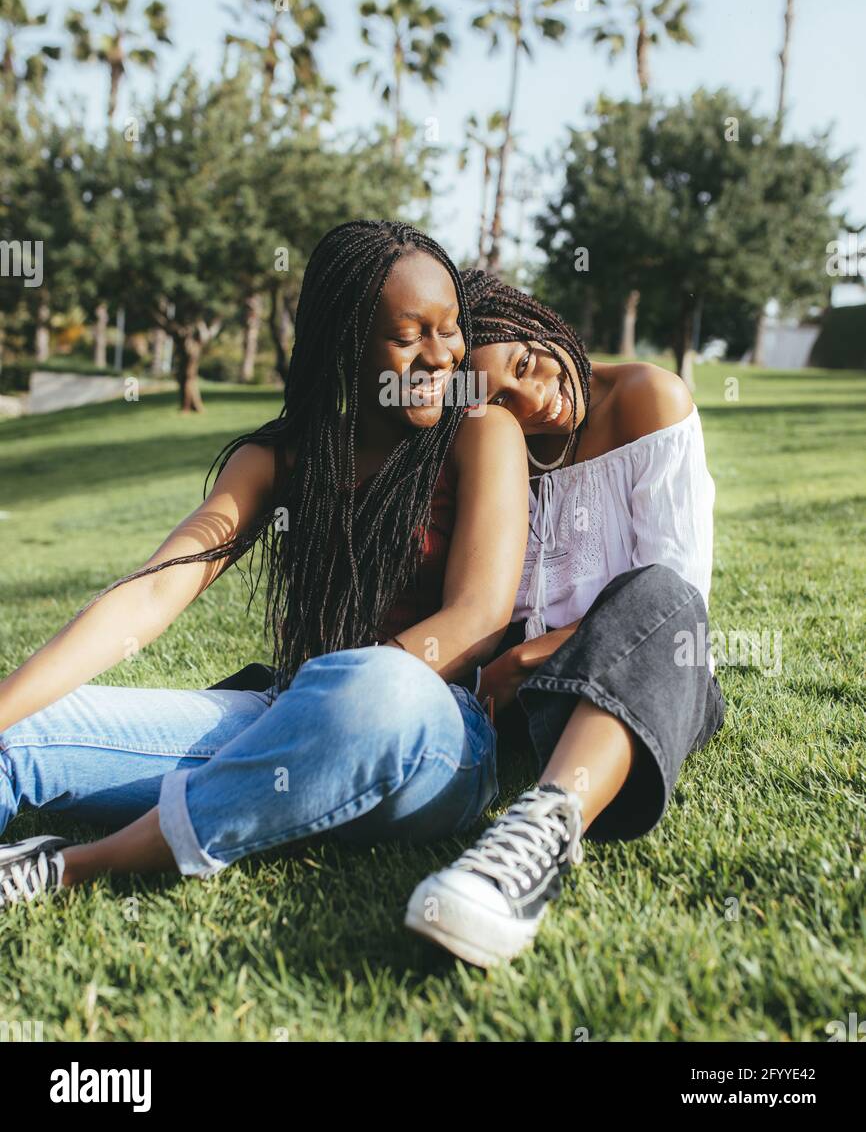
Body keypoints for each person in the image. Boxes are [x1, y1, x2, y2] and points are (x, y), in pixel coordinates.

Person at [0, 222, 533, 909]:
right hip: (285, 713)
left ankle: (76, 866)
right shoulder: (281, 459)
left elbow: (479, 617)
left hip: (430, 736)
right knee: (27, 729)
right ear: (347, 342)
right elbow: (154, 592)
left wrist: (340, 694)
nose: (442, 356)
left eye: (451, 328)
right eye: (409, 338)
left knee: (375, 688)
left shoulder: (482, 434)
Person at [404, 271, 725, 968]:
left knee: (661, 595)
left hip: (647, 673)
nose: (535, 400)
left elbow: (679, 599)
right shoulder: (497, 448)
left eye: (524, 365)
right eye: (503, 402)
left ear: (542, 323)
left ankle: (538, 836)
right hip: (515, 699)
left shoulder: (649, 399)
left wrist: (522, 661)